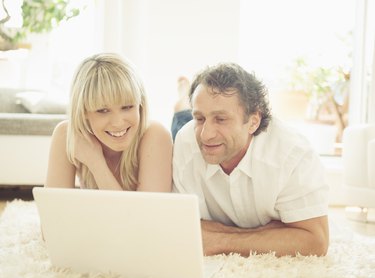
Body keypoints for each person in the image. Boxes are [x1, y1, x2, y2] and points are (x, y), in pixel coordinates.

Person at [172, 63, 329, 257]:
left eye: (221, 119)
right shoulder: (186, 141)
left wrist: (221, 239)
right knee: (180, 120)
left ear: (253, 122)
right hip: (182, 130)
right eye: (200, 118)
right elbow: (182, 226)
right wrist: (270, 232)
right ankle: (182, 101)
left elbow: (316, 242)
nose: (206, 135)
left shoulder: (292, 154)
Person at [45, 53, 172, 192]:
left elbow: (147, 213)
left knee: (182, 118)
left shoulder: (156, 134)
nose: (118, 123)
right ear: (83, 111)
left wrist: (95, 162)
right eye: (103, 110)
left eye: (127, 107)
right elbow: (55, 209)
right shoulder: (67, 134)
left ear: (140, 104)